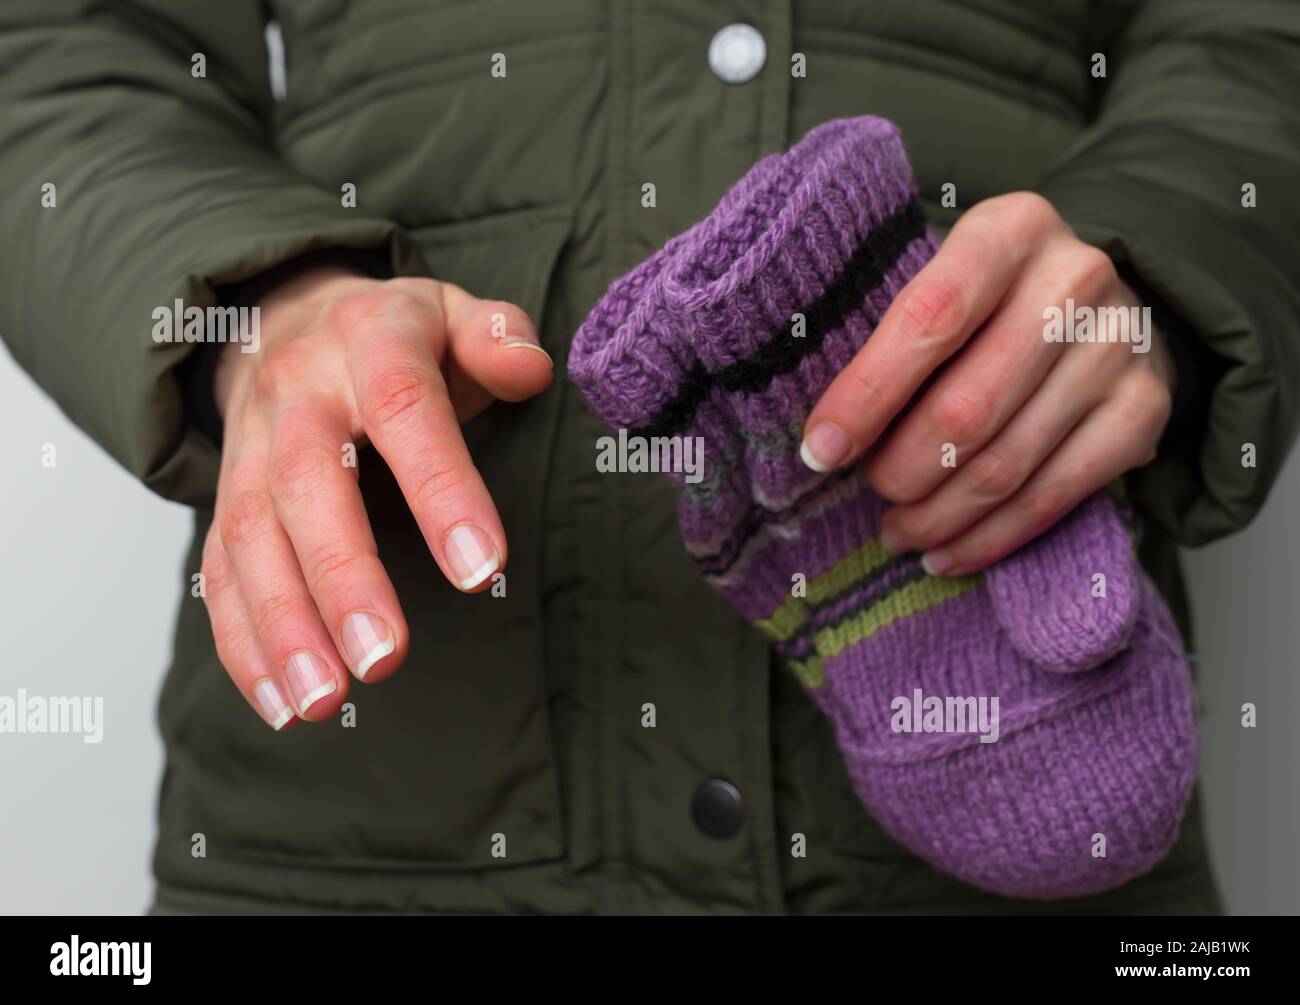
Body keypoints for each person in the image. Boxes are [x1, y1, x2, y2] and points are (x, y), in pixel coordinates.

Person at [1, 0, 1296, 915]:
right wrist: (254, 306)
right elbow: (63, 43)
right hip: (360, 832)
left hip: (1014, 767)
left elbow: (1255, 35)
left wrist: (1158, 271)